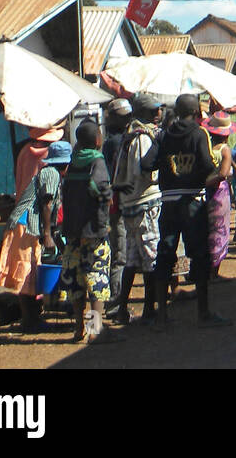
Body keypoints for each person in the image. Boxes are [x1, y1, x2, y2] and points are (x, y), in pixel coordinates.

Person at [144, 93, 231, 330]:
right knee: (199, 254)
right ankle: (203, 314)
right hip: (193, 200)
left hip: (168, 203)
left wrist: (169, 168)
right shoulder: (198, 133)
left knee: (165, 254)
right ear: (196, 113)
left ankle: (161, 316)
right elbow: (206, 166)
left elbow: (147, 164)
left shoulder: (164, 134)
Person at [0, 138, 70, 332]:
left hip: (27, 224)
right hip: (26, 224)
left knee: (31, 270)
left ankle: (31, 317)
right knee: (27, 270)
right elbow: (46, 204)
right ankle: (29, 319)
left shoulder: (49, 173)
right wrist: (47, 234)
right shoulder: (51, 174)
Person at [60, 119, 115, 342]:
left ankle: (77, 329)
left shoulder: (72, 162)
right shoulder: (97, 162)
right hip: (93, 232)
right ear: (98, 140)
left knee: (76, 277)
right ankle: (95, 330)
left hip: (72, 231)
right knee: (96, 277)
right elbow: (102, 192)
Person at [110, 92, 163, 325]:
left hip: (130, 203)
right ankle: (151, 309)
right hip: (145, 201)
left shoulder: (128, 136)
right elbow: (146, 167)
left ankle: (123, 308)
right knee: (151, 257)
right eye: (154, 111)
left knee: (132, 259)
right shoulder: (143, 137)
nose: (158, 114)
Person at [101, 97, 133, 312]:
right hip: (119, 203)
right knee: (120, 253)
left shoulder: (115, 139)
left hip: (119, 202)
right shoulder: (116, 141)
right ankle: (116, 300)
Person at [204, 112, 236, 276]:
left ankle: (207, 270)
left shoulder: (208, 149)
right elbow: (223, 174)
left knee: (208, 230)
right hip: (220, 192)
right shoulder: (225, 150)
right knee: (220, 230)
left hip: (207, 193)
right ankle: (214, 272)